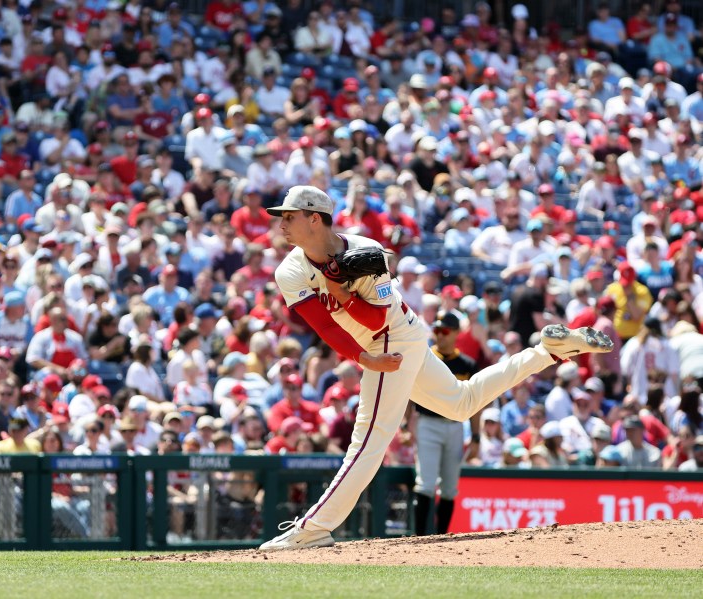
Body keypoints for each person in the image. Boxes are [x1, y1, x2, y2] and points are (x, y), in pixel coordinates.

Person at [258, 186, 614, 552]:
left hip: (391, 337)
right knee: (461, 403)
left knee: (368, 440)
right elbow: (325, 326)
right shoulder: (290, 270)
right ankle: (547, 352)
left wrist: (345, 297)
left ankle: (314, 527)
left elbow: (377, 317)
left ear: (314, 218)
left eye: (289, 216)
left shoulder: (365, 252)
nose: (281, 224)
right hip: (381, 345)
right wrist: (363, 359)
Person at [412, 311, 477, 536]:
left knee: (449, 488)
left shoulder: (467, 363)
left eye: (445, 331)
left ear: (457, 333)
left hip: (456, 424)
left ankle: (441, 537)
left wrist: (476, 435)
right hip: (428, 422)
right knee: (426, 485)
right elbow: (409, 393)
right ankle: (419, 537)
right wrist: (406, 426)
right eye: (437, 330)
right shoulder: (425, 357)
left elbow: (476, 402)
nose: (440, 335)